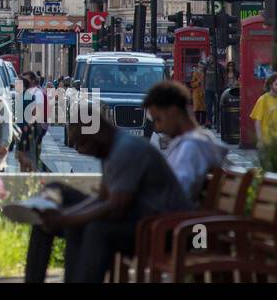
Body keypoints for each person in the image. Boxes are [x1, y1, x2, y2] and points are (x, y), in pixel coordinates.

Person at [22, 109, 192, 283]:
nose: (79, 151)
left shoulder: (126, 150)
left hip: (162, 230)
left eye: (82, 143)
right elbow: (103, 197)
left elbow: (116, 207)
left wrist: (67, 218)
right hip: (138, 220)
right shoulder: (110, 148)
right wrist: (64, 215)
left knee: (96, 228)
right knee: (54, 197)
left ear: (98, 133)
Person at [142, 80, 227, 204]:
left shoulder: (191, 147)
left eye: (158, 119)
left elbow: (176, 195)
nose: (157, 128)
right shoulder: (200, 140)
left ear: (173, 111)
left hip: (174, 219)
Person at [249, 73, 277, 147]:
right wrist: (260, 140)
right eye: (276, 84)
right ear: (270, 85)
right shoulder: (263, 99)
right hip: (266, 141)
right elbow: (258, 122)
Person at [201, 52, 221, 128]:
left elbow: (224, 77)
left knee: (216, 106)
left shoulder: (219, 67)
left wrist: (222, 87)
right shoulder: (206, 67)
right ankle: (209, 121)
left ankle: (216, 123)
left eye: (211, 57)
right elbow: (203, 78)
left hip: (217, 90)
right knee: (208, 106)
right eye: (209, 57)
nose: (210, 59)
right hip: (208, 90)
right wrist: (203, 88)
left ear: (215, 58)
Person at [188, 61, 206, 126]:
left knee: (204, 109)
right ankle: (197, 123)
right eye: (199, 66)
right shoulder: (195, 73)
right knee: (197, 109)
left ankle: (203, 122)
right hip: (197, 93)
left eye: (202, 66)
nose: (200, 67)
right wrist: (198, 82)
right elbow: (192, 84)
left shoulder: (206, 73)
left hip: (204, 92)